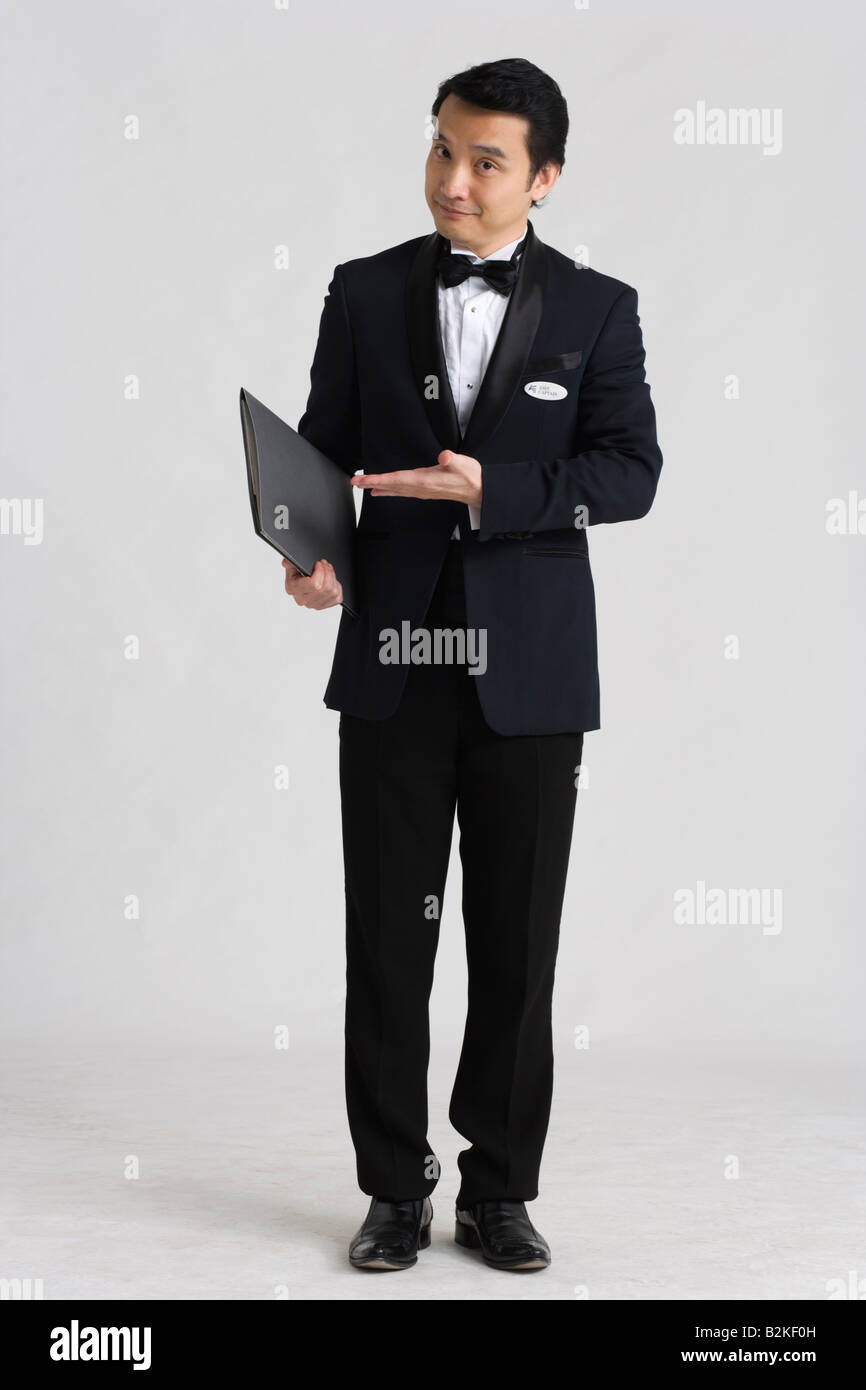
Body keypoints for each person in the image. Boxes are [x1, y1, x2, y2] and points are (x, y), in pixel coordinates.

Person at [282, 56, 663, 1273]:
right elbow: (323, 453)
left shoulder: (599, 308)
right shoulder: (362, 289)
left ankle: (499, 1188)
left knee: (514, 942)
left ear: (541, 179)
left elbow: (629, 471)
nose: (453, 179)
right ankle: (393, 1186)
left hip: (530, 669)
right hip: (395, 653)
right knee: (386, 941)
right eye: (441, 149)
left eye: (485, 160)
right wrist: (306, 552)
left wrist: (496, 490)